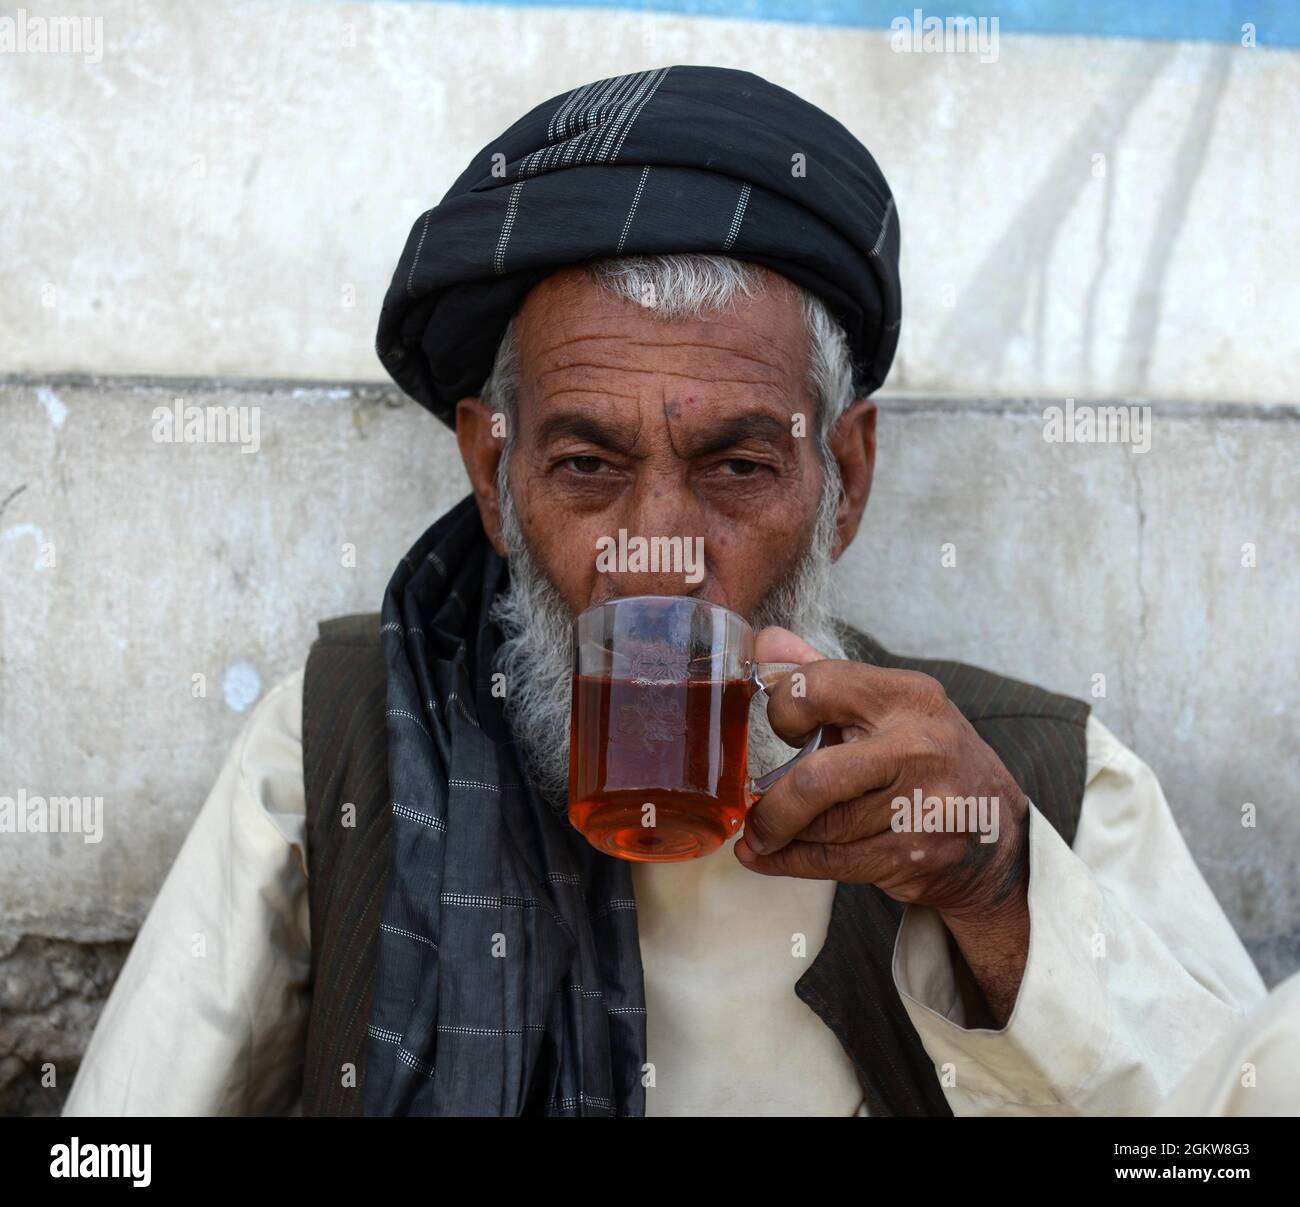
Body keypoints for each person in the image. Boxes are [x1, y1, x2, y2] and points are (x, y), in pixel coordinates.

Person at [65, 66, 1267, 1117]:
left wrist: (1000, 898)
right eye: (587, 467)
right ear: (494, 476)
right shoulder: (339, 742)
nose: (655, 551)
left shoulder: (1044, 781)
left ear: (840, 478)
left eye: (736, 467)